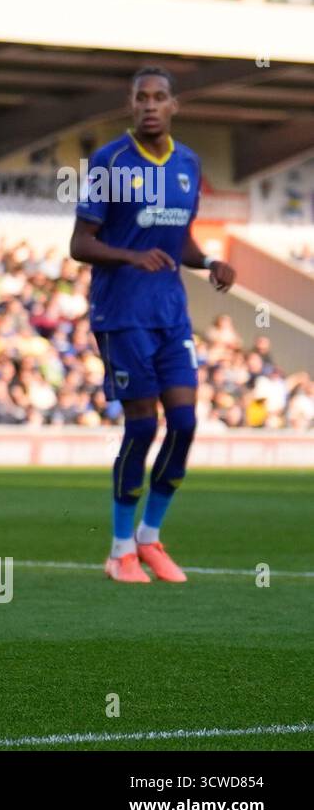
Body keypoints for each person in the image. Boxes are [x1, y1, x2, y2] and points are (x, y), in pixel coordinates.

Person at [70, 66, 236, 584]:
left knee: (184, 425)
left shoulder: (188, 163)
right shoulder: (109, 161)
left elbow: (179, 239)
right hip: (121, 313)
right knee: (142, 425)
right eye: (140, 97)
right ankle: (119, 549)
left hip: (171, 313)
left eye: (158, 97)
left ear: (173, 105)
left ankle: (150, 537)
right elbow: (80, 243)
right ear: (131, 103)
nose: (149, 105)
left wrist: (208, 263)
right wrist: (128, 256)